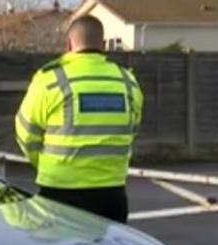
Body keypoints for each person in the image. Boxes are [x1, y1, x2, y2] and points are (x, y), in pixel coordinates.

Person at [14, 15, 143, 223]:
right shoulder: (128, 82)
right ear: (103, 45)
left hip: (59, 192)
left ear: (68, 44)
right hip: (112, 196)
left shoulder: (50, 80)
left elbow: (25, 133)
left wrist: (44, 163)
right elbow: (132, 130)